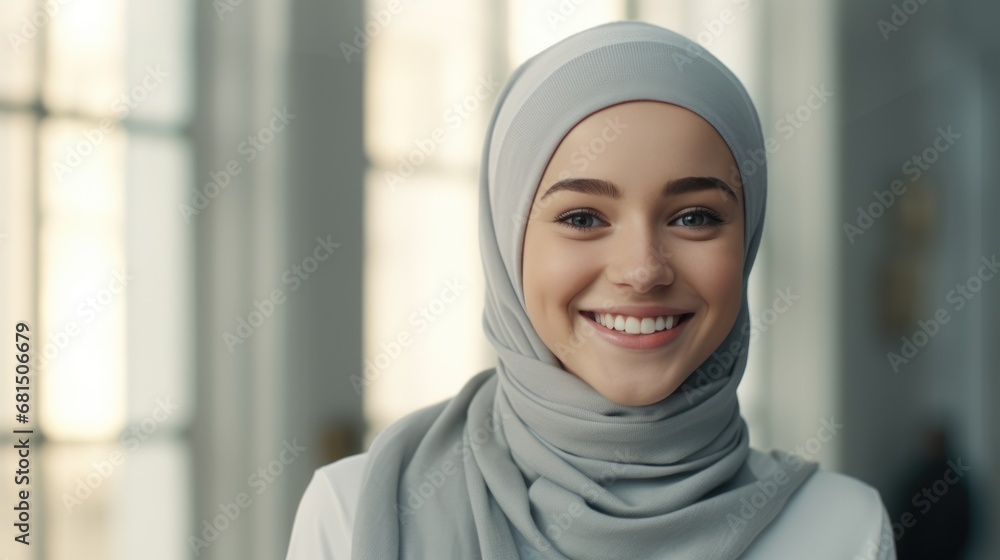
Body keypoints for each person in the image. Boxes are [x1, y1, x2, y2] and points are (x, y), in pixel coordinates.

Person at [286, 21, 896, 560]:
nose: (642, 270)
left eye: (694, 217)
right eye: (582, 218)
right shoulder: (353, 512)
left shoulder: (844, 530)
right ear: (507, 245)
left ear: (749, 234)